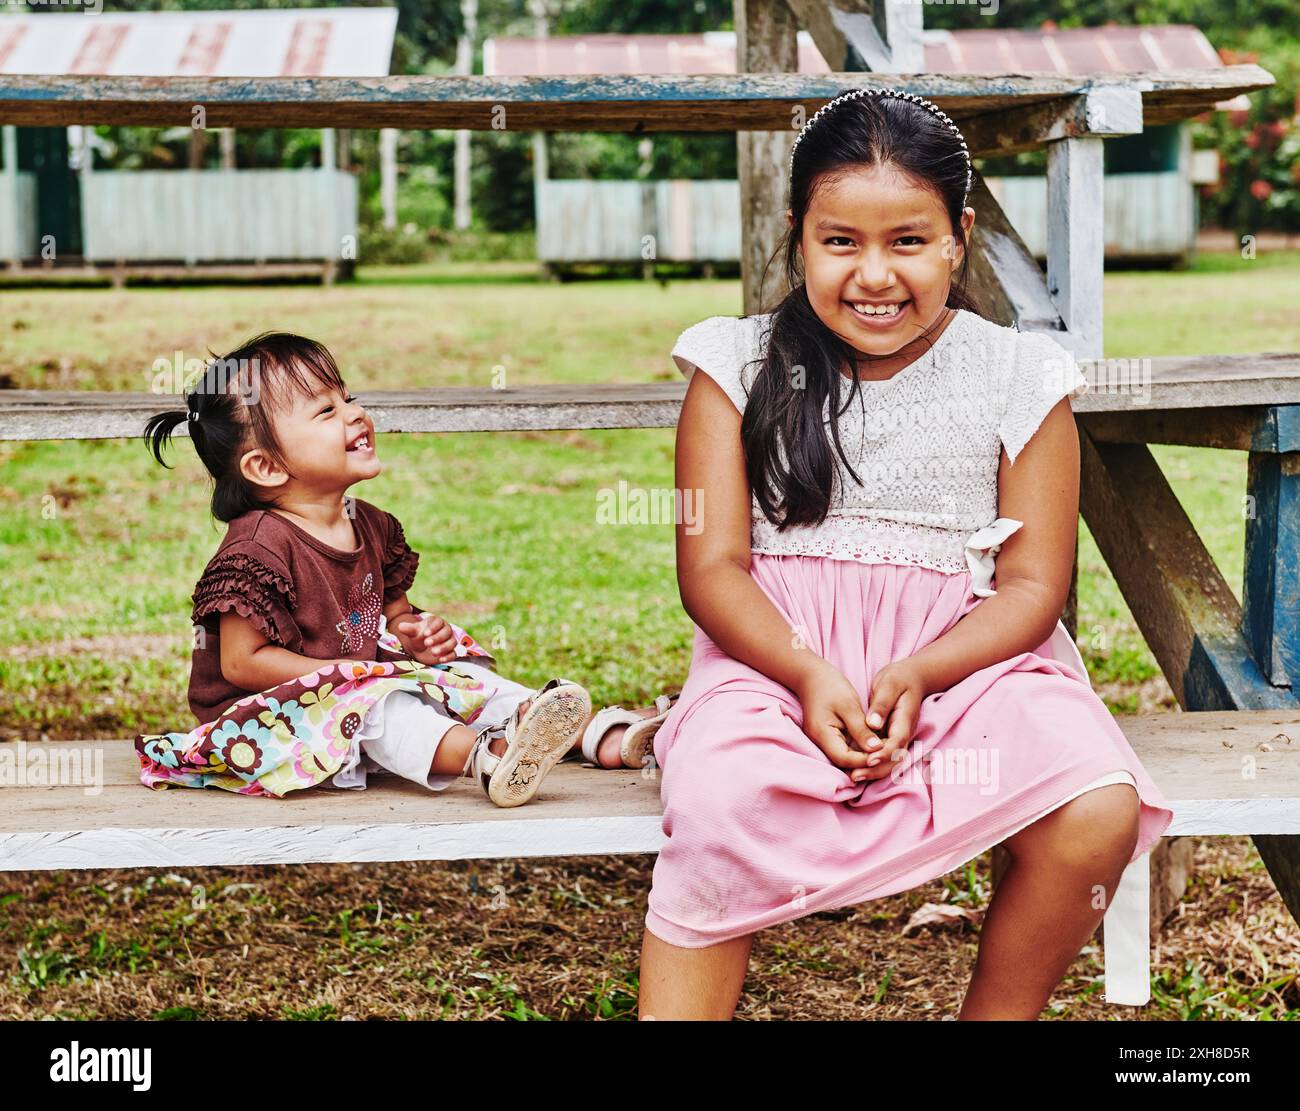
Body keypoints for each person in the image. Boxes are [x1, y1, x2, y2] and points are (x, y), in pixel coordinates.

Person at [637, 87, 1175, 1019]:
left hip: (971, 663)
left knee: (1093, 800)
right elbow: (712, 569)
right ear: (796, 233)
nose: (875, 274)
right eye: (840, 241)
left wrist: (924, 671)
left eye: (909, 241)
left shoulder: (1021, 373)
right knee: (721, 795)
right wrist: (806, 674)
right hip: (775, 661)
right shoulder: (736, 367)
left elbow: (1035, 585)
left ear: (959, 235)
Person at [136, 332, 665, 805]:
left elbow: (394, 615)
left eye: (349, 398)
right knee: (382, 705)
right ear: (267, 467)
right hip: (271, 725)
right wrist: (351, 677)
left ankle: (599, 737)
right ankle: (489, 756)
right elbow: (241, 663)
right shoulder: (257, 550)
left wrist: (414, 637)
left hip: (351, 697)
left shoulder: (372, 525)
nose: (354, 414)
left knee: (456, 676)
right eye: (325, 412)